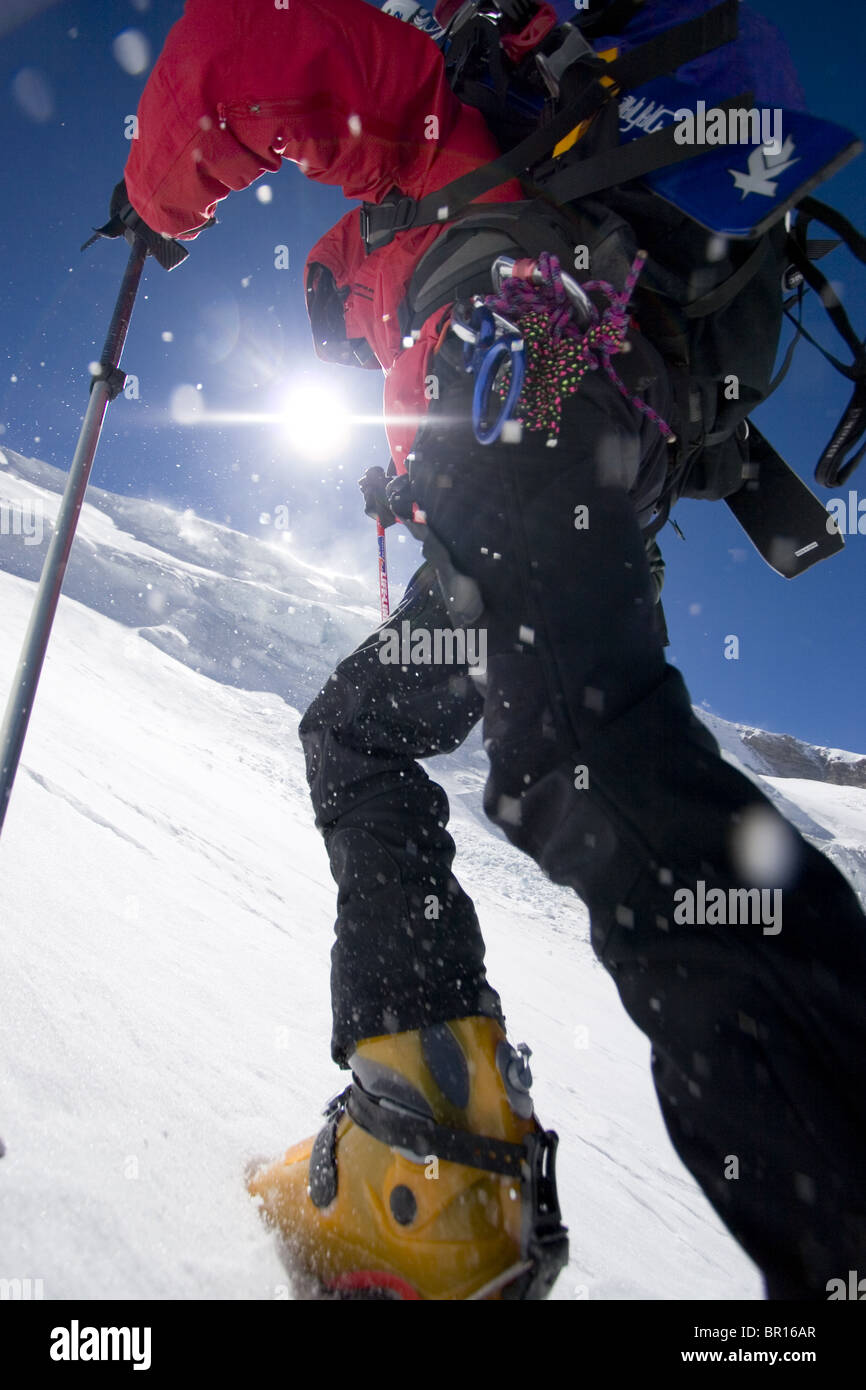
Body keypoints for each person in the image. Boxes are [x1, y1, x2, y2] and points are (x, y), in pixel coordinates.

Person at [107, 0, 866, 1300]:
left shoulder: (451, 129)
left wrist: (154, 201)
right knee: (363, 732)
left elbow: (246, 50)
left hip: (545, 357)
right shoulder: (461, 231)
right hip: (553, 407)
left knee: (582, 751)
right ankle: (431, 1144)